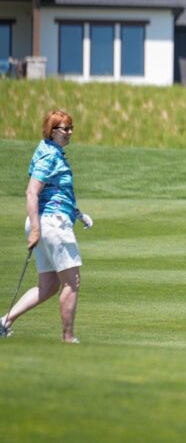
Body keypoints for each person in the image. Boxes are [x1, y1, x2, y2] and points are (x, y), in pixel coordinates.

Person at [0, 110, 93, 343]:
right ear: (52, 131)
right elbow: (32, 191)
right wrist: (35, 229)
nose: (70, 133)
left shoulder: (50, 151)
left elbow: (57, 192)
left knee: (49, 285)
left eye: (72, 128)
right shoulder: (50, 156)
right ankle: (68, 338)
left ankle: (4, 322)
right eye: (65, 129)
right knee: (72, 282)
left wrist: (78, 214)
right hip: (52, 223)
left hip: (50, 219)